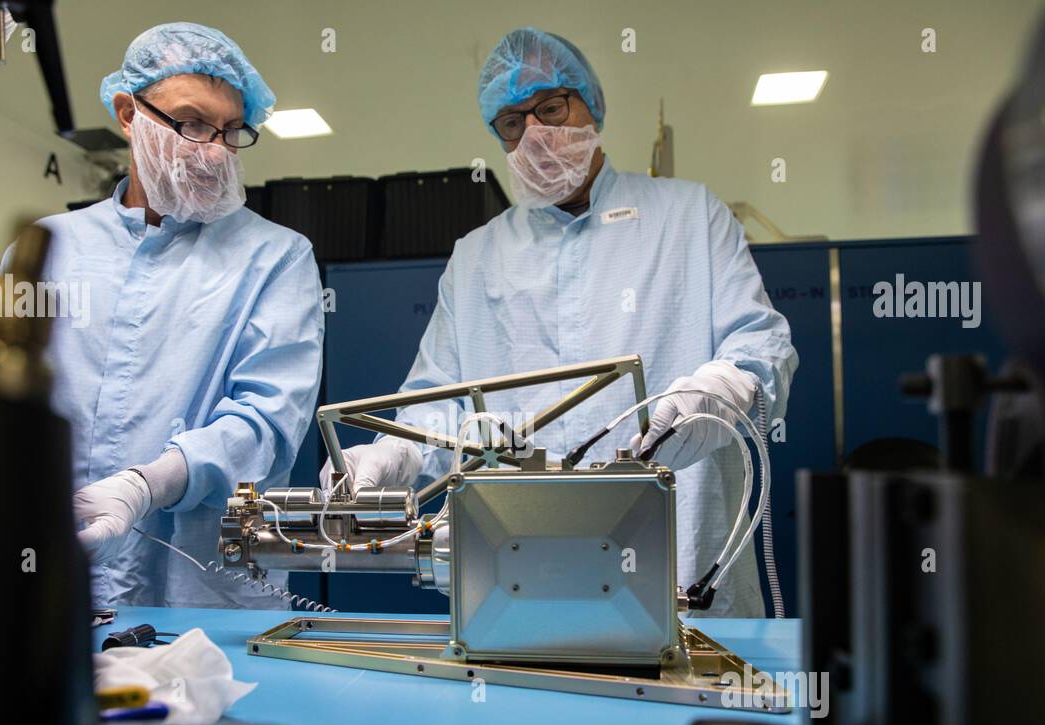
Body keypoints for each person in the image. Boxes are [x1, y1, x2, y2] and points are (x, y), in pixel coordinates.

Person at [323, 27, 798, 617]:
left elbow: (761, 344)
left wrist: (723, 391)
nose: (536, 134)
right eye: (513, 122)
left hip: (680, 572)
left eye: (551, 108)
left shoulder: (690, 216)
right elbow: (435, 407)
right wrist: (395, 455)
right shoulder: (477, 256)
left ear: (590, 104)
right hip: (512, 577)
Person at [4, 22, 323, 607]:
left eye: (231, 130)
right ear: (129, 113)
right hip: (46, 580)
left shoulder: (276, 257)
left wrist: (146, 485)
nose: (214, 148)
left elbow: (267, 425)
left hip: (199, 596)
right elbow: (3, 418)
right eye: (193, 122)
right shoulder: (48, 250)